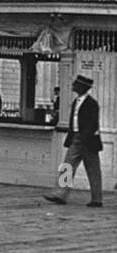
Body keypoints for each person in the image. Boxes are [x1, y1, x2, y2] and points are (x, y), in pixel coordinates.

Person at [45, 74, 104, 208]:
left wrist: (84, 137)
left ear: (82, 87)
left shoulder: (91, 103)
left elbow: (92, 123)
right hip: (76, 138)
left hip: (88, 140)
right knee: (67, 166)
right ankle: (60, 194)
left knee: (93, 169)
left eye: (76, 84)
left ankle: (97, 199)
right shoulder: (76, 101)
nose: (73, 86)